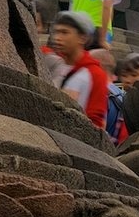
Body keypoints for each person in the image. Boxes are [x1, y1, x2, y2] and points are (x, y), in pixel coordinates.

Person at [41, 10, 120, 143]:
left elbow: (97, 122)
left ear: (82, 38)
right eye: (57, 32)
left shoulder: (94, 74)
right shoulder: (54, 64)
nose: (58, 38)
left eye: (65, 32)